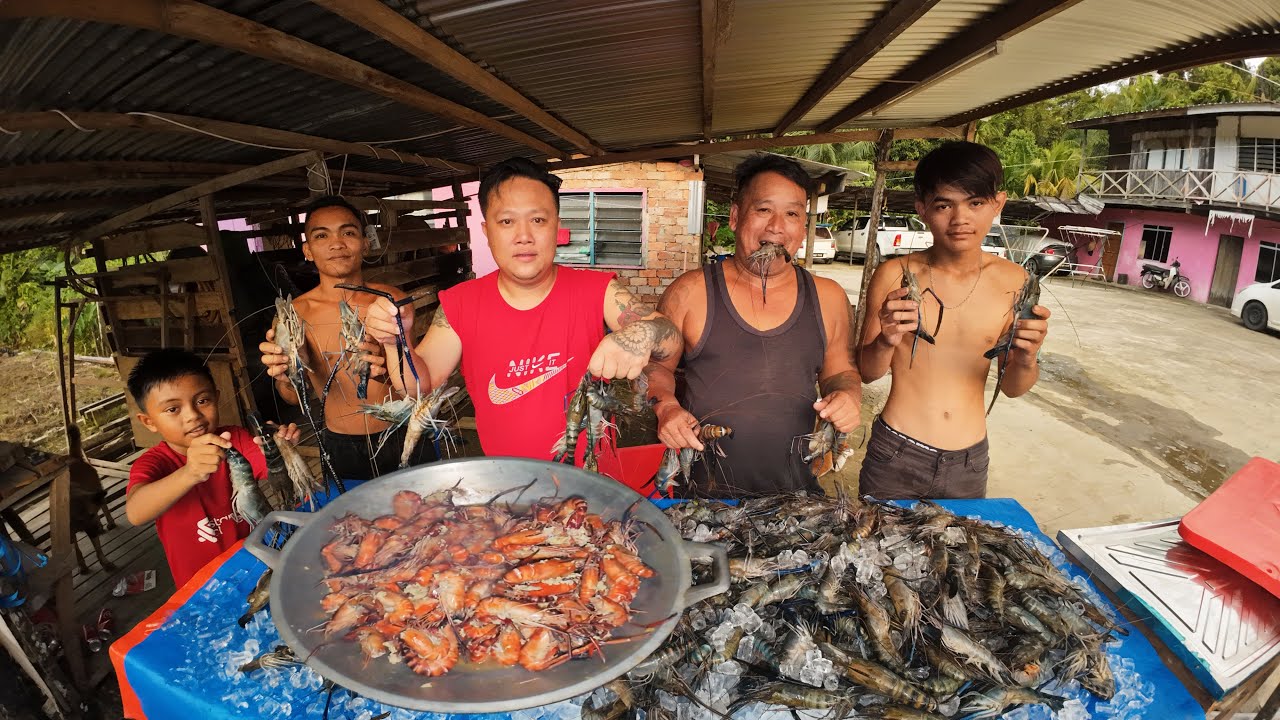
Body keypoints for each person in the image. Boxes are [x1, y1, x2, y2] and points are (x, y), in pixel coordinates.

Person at [364, 157, 682, 466]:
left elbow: (670, 339)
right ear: (487, 231)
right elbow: (422, 384)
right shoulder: (460, 304)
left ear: (557, 226)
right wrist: (396, 342)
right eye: (507, 221)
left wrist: (641, 331)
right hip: (508, 479)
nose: (524, 236)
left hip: (591, 478)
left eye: (538, 220)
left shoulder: (597, 290)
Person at [650, 154, 862, 497]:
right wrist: (666, 407)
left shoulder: (829, 296)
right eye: (763, 210)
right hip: (702, 496)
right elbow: (656, 367)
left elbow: (842, 371)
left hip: (796, 498)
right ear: (735, 217)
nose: (777, 226)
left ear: (802, 225)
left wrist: (848, 396)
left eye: (792, 214)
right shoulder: (689, 292)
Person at [857, 141, 1051, 499]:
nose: (961, 219)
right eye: (944, 205)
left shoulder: (1016, 282)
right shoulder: (893, 274)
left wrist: (1026, 357)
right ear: (923, 210)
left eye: (975, 203)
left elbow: (1013, 387)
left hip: (969, 460)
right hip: (896, 452)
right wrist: (886, 339)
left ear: (998, 204)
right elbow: (867, 372)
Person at [258, 195, 437, 481]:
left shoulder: (392, 301)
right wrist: (283, 376)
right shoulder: (294, 313)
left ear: (365, 243)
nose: (337, 243)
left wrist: (382, 370)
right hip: (341, 443)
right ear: (307, 250)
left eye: (348, 232)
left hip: (403, 430)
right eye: (321, 235)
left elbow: (414, 380)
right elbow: (294, 397)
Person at [124, 348, 300, 586]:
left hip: (254, 564)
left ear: (216, 398)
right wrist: (190, 472)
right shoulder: (154, 463)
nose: (193, 416)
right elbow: (136, 513)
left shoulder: (233, 439)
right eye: (173, 409)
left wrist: (280, 448)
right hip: (200, 585)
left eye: (202, 401)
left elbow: (269, 465)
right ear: (149, 421)